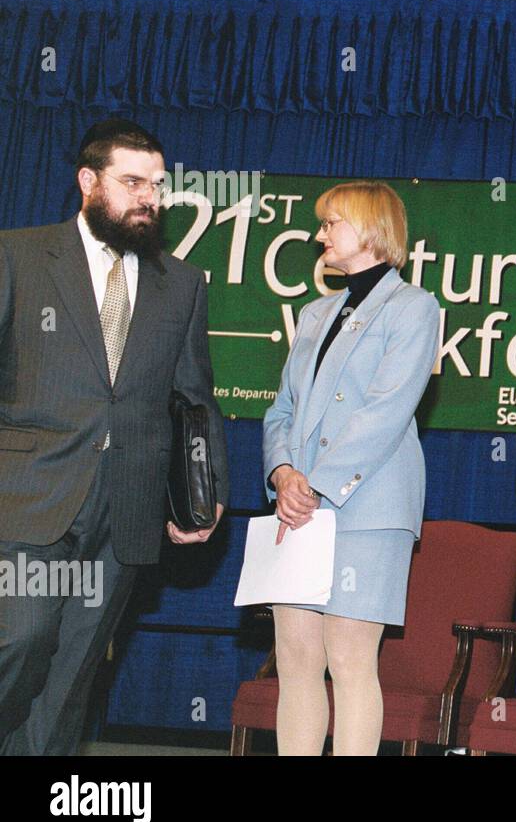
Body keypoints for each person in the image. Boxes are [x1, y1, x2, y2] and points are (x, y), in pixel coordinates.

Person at [0, 119, 229, 755]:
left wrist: (205, 492)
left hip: (125, 509)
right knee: (19, 641)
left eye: (156, 186)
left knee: (71, 681)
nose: (148, 199)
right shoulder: (16, 255)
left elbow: (194, 397)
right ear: (87, 181)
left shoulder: (180, 282)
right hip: (24, 501)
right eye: (132, 183)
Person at [261, 180, 440, 756]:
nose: (319, 236)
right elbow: (282, 409)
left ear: (368, 229)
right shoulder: (315, 313)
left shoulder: (414, 308)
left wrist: (313, 485)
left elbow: (387, 410)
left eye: (331, 223)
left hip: (370, 508)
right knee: (295, 659)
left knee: (350, 660)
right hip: (300, 506)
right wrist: (284, 474)